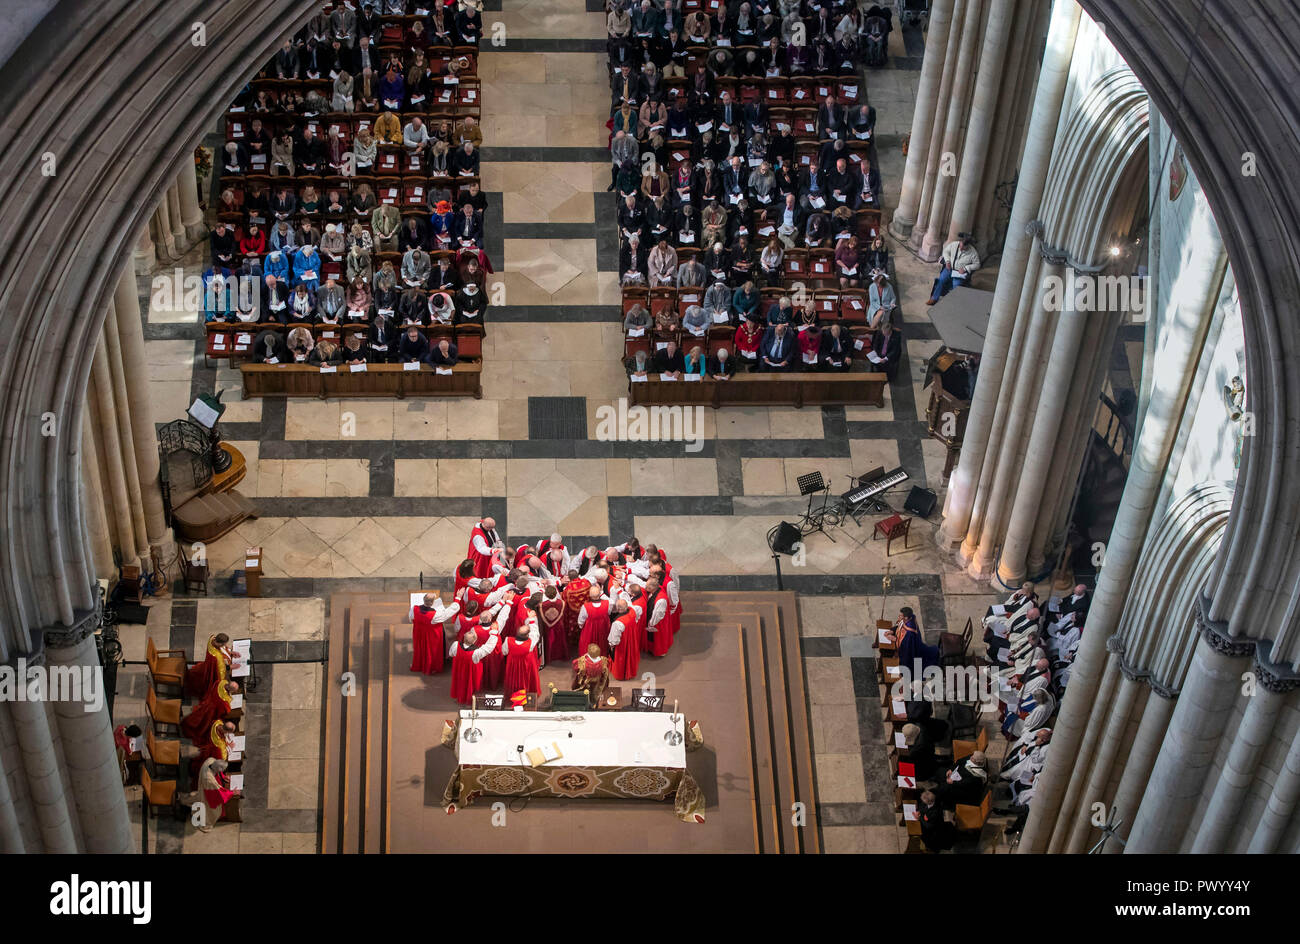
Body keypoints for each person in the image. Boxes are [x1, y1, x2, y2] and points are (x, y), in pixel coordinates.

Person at [181, 679, 239, 745]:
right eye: (233, 691)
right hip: (209, 713)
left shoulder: (220, 682)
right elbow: (226, 711)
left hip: (205, 703)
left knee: (195, 717)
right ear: (231, 690)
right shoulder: (224, 701)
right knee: (202, 726)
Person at [928, 232, 980, 304]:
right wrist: (947, 261)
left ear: (968, 246)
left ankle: (950, 302)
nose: (961, 249)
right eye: (960, 246)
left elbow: (977, 264)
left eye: (963, 248)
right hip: (949, 268)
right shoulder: (954, 244)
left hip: (959, 273)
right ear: (960, 242)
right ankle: (934, 298)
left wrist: (965, 268)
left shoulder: (973, 252)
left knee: (956, 286)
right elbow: (946, 252)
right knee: (941, 280)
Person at [448, 629, 497, 705]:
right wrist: (493, 635)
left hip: (459, 669)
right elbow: (489, 648)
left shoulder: (456, 645)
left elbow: (451, 654)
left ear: (464, 638)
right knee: (470, 685)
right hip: (471, 672)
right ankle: (470, 699)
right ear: (474, 641)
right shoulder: (477, 652)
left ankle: (460, 697)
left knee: (460, 682)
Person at [501, 612, 542, 696]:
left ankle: (514, 694)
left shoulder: (508, 640)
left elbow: (504, 652)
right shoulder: (530, 643)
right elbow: (535, 633)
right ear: (527, 635)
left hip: (513, 665)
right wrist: (531, 619)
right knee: (526, 679)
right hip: (526, 665)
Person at [195, 757, 238, 832]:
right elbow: (218, 792)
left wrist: (223, 777)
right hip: (208, 792)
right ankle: (206, 824)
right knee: (211, 811)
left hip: (206, 786)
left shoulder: (211, 760)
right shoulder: (209, 779)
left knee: (199, 800)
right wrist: (232, 792)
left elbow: (217, 769)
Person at [572, 643, 612, 708]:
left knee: (585, 692)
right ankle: (594, 704)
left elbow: (576, 667)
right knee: (595, 692)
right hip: (597, 680)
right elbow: (605, 670)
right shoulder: (603, 661)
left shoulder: (582, 661)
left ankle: (585, 704)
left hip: (586, 681)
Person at [577, 585, 613, 656]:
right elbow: (608, 612)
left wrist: (581, 627)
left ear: (589, 595)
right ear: (600, 594)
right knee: (603, 643)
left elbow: (580, 621)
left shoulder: (586, 607)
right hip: (603, 629)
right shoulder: (607, 603)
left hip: (589, 630)